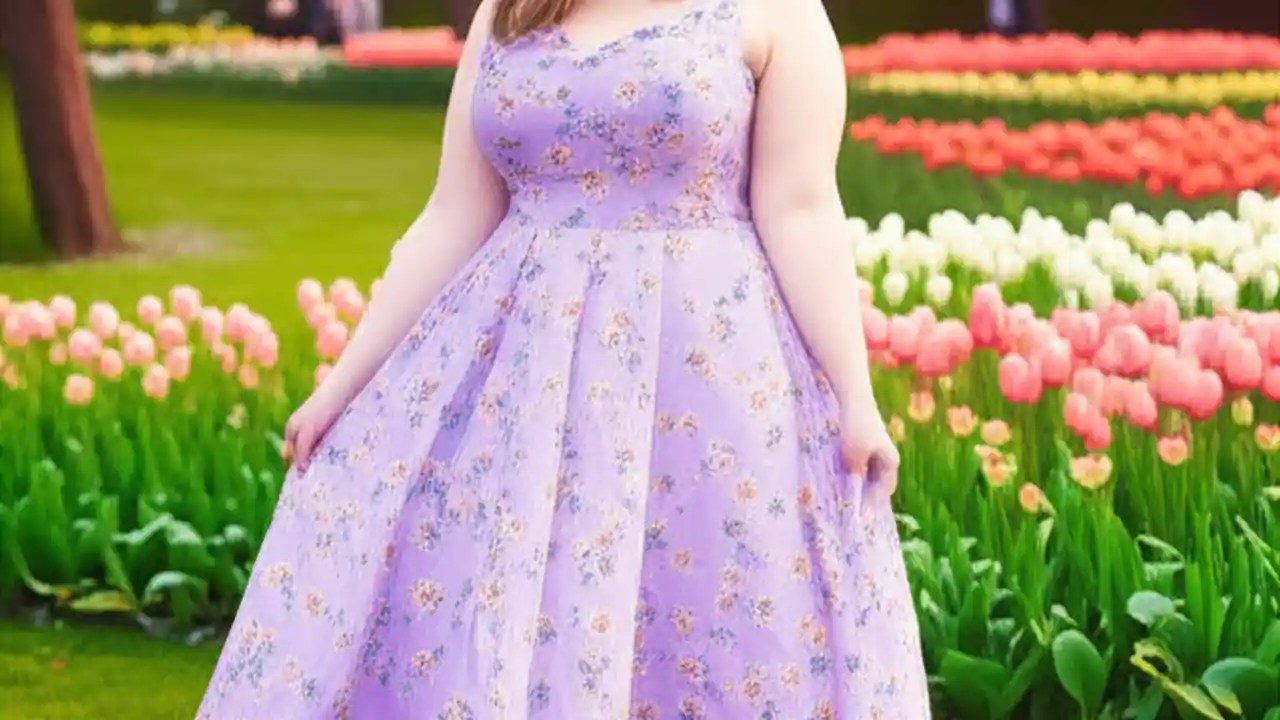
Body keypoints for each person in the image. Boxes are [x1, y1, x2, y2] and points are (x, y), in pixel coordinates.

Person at [196, 0, 931, 717]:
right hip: (521, 379)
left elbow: (800, 207)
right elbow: (454, 211)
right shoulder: (511, 11)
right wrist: (341, 386)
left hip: (704, 375)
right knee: (508, 607)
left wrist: (854, 398)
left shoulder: (773, 11)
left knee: (702, 608)